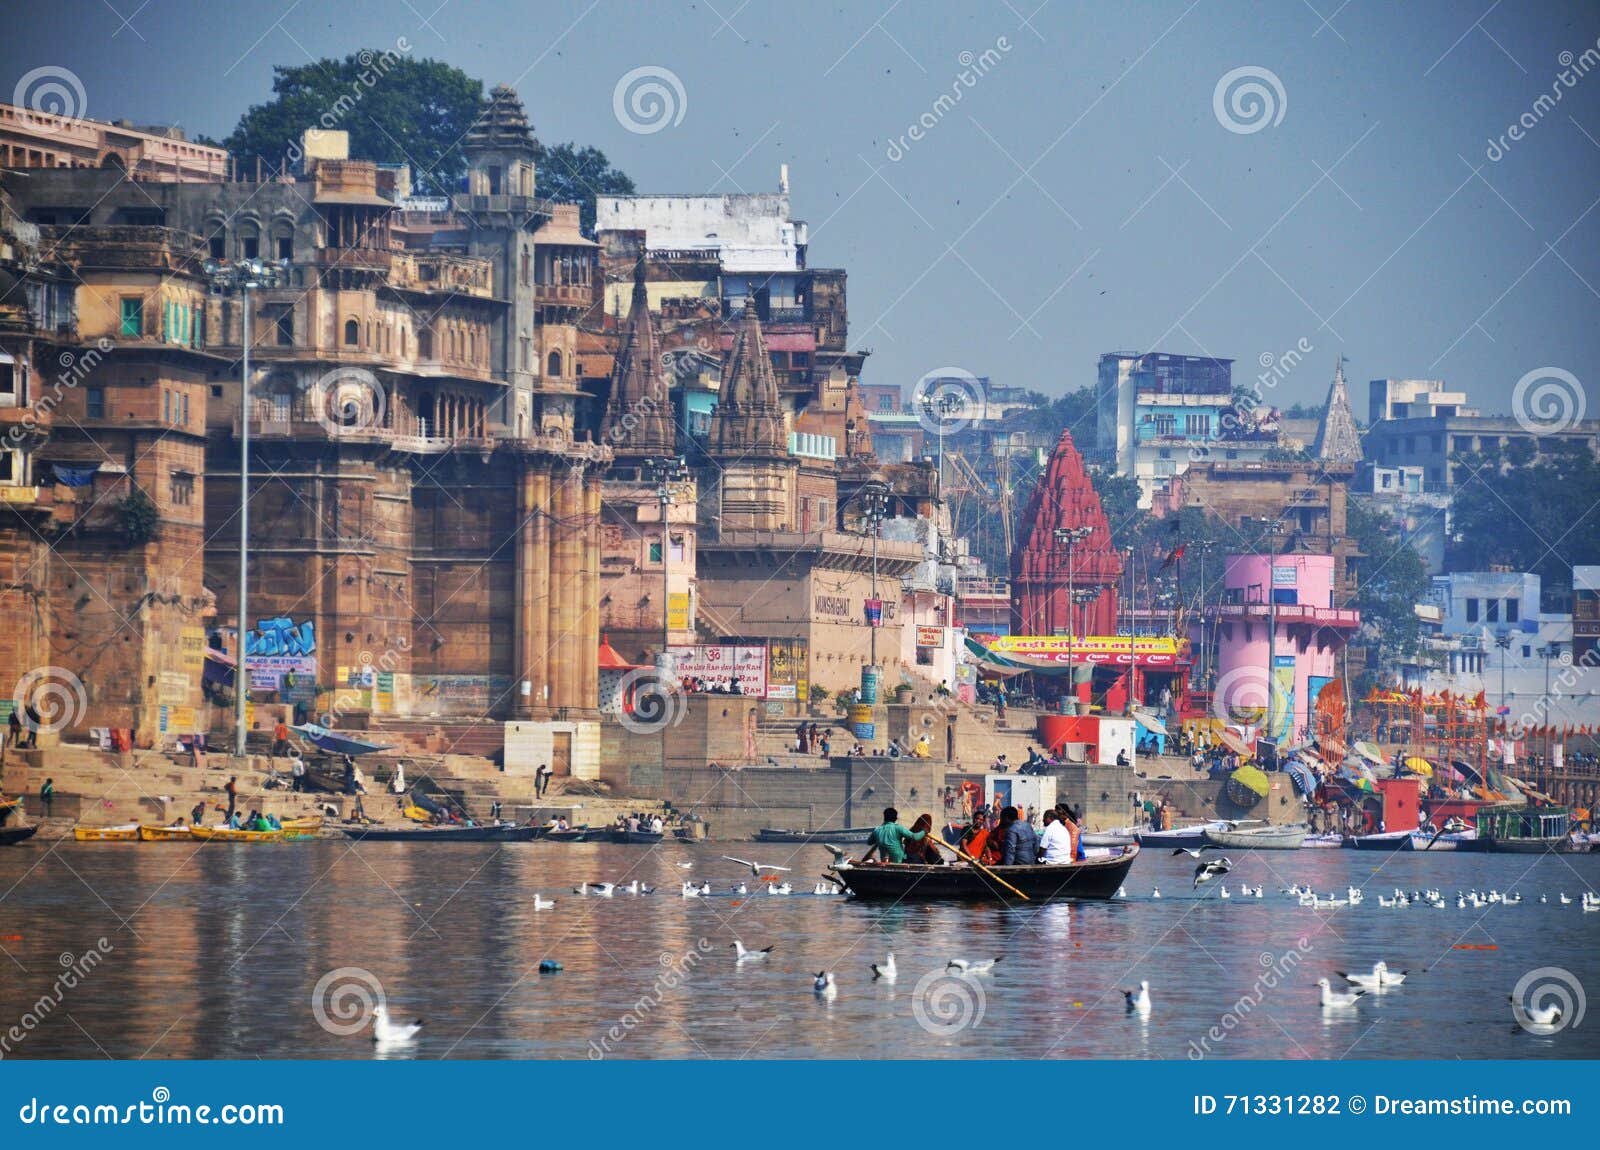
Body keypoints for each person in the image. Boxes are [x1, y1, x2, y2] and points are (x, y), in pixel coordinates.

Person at [859, 807, 927, 864]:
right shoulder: (898, 828)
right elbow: (915, 837)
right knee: (917, 856)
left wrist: (879, 839)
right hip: (900, 861)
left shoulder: (877, 830)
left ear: (884, 817)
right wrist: (924, 831)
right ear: (895, 818)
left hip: (884, 862)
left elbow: (869, 842)